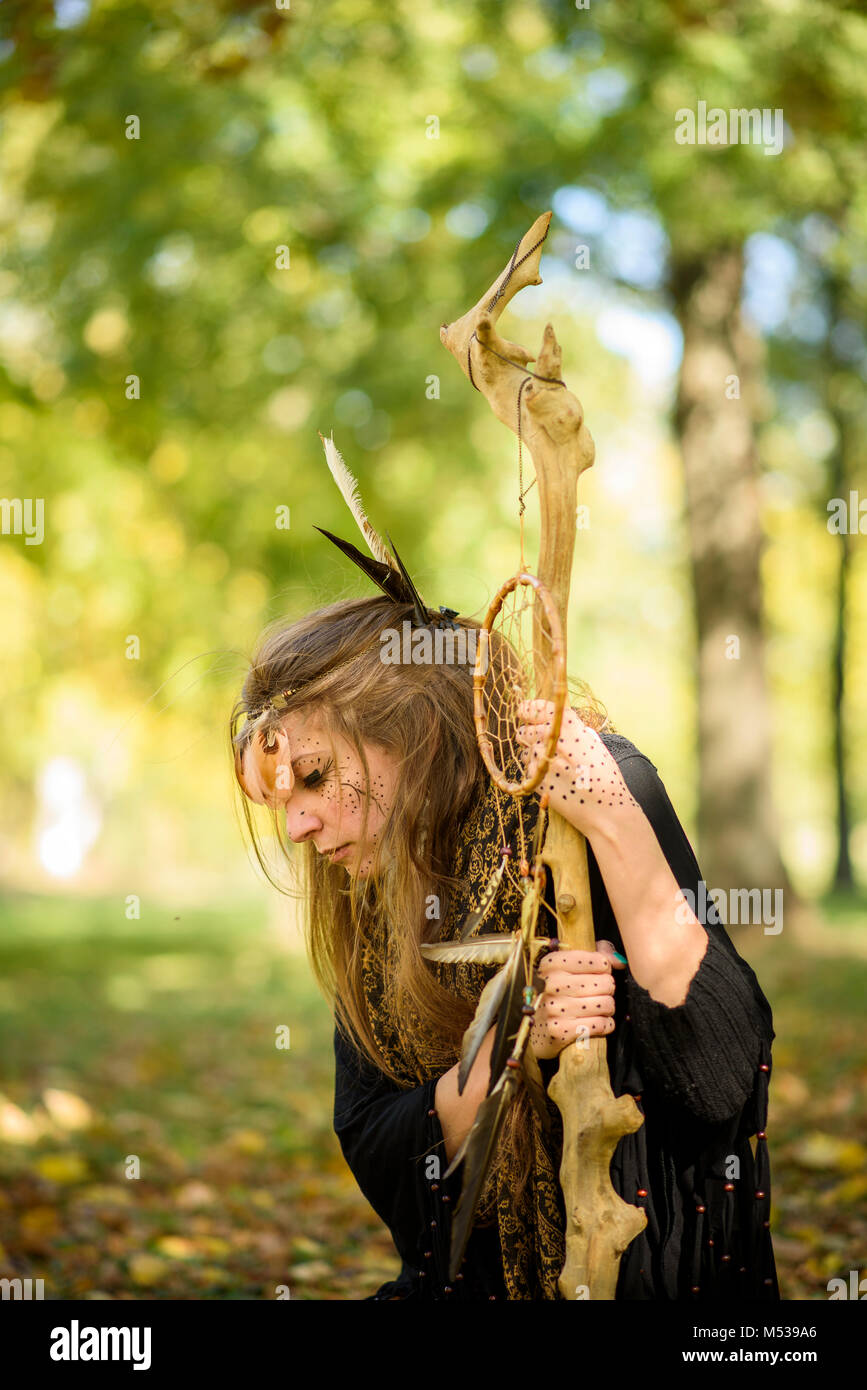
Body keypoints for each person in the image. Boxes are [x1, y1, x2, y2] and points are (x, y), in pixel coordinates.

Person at [230, 590, 779, 1302]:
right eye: (280, 804)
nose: (298, 825)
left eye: (313, 777)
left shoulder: (588, 791)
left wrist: (613, 819)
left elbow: (720, 1080)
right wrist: (510, 1046)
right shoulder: (372, 885)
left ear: (412, 731)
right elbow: (374, 1143)